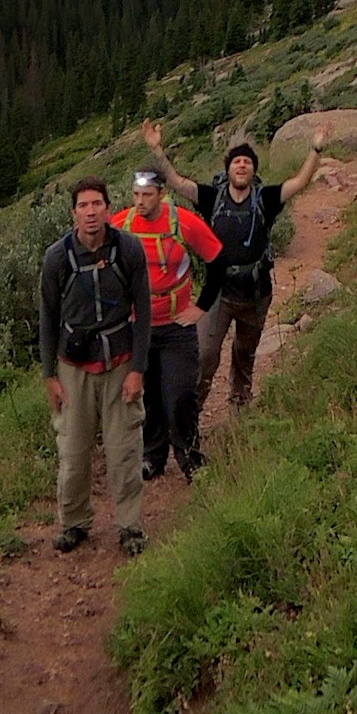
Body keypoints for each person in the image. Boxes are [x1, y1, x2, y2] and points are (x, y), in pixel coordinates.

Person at [143, 118, 326, 410]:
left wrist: (315, 150)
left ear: (254, 171)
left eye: (247, 162)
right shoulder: (211, 197)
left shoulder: (265, 198)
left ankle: (240, 406)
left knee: (245, 353)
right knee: (205, 354)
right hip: (219, 294)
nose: (241, 165)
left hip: (256, 293)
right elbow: (176, 182)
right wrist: (157, 150)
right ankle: (192, 411)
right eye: (236, 162)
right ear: (228, 169)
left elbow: (300, 183)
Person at [38, 176, 152, 557]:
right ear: (74, 213)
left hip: (120, 362)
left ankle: (130, 525)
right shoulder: (57, 258)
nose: (91, 212)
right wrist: (49, 376)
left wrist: (138, 368)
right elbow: (48, 317)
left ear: (108, 208)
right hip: (73, 367)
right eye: (83, 206)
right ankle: (74, 522)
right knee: (73, 452)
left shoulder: (129, 250)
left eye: (97, 204)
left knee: (124, 449)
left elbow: (144, 311)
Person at [111, 167, 224, 483]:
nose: (140, 202)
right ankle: (152, 457)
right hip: (138, 326)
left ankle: (190, 458)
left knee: (180, 394)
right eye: (136, 195)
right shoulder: (121, 225)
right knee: (147, 398)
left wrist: (200, 307)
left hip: (176, 326)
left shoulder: (183, 223)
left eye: (147, 195)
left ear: (162, 194)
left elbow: (217, 261)